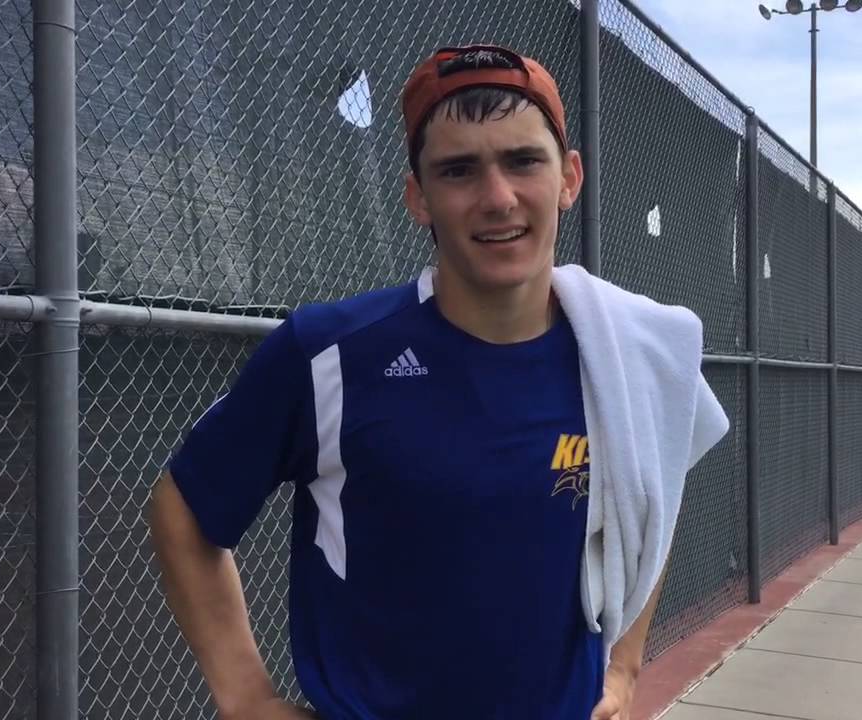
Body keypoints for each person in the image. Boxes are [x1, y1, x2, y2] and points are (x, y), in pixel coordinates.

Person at [149, 44, 723, 720]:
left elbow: (652, 493)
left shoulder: (624, 361)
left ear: (569, 178)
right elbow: (184, 506)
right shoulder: (328, 353)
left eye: (522, 161)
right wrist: (246, 697)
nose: (498, 198)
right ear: (418, 197)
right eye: (459, 171)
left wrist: (623, 668)